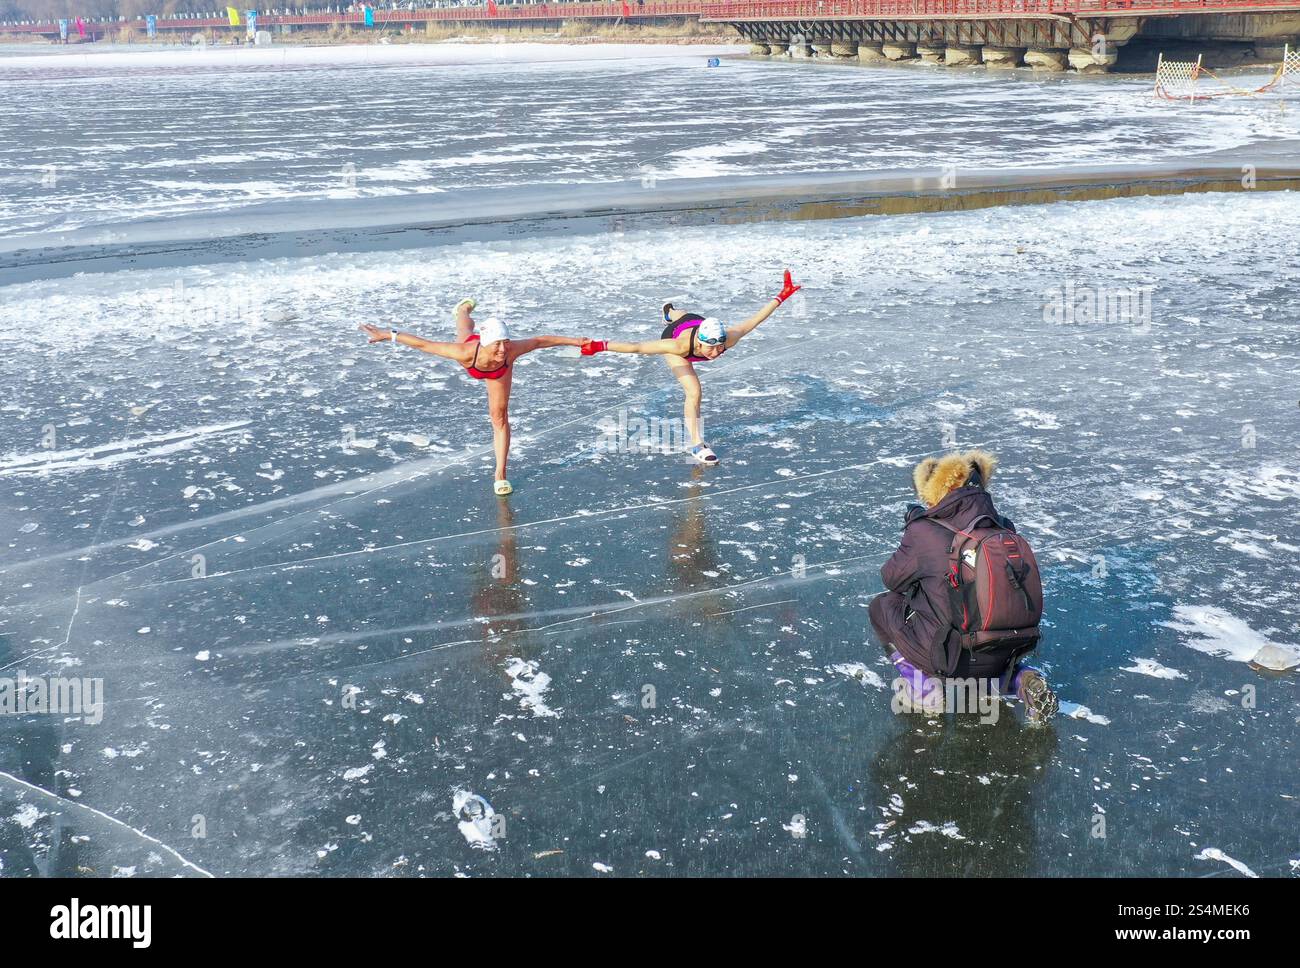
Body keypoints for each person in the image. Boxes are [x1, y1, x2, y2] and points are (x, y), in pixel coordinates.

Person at [868, 449, 1059, 723]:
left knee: (881, 606)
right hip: (1005, 648)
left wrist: (912, 528)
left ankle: (924, 690)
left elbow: (891, 579)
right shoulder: (1003, 527)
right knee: (981, 668)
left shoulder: (924, 530)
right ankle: (1020, 679)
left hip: (949, 656)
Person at [360, 298, 588, 496]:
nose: (501, 350)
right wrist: (388, 335)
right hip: (473, 359)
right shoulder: (464, 351)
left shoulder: (510, 351)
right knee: (464, 332)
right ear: (486, 342)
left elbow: (540, 341)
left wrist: (575, 341)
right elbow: (423, 344)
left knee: (499, 418)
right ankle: (462, 310)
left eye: (505, 344)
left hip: (499, 372)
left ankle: (500, 474)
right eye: (497, 345)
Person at [580, 270, 802, 465]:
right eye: (710, 348)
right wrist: (600, 345)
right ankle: (697, 444)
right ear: (700, 343)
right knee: (694, 391)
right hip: (678, 339)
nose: (715, 354)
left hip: (694, 321)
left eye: (719, 348)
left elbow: (754, 321)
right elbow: (637, 347)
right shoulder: (678, 346)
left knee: (681, 314)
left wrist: (781, 296)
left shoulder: (728, 338)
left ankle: (669, 312)